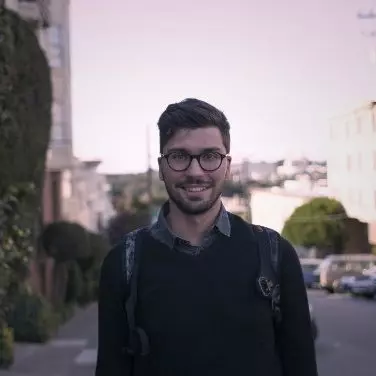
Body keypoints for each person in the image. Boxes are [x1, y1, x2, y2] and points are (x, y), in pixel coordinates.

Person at [95, 98, 318, 376]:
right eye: (179, 156)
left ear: (227, 166)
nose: (195, 171)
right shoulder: (124, 262)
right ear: (162, 167)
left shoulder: (274, 254)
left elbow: (302, 367)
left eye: (210, 156)